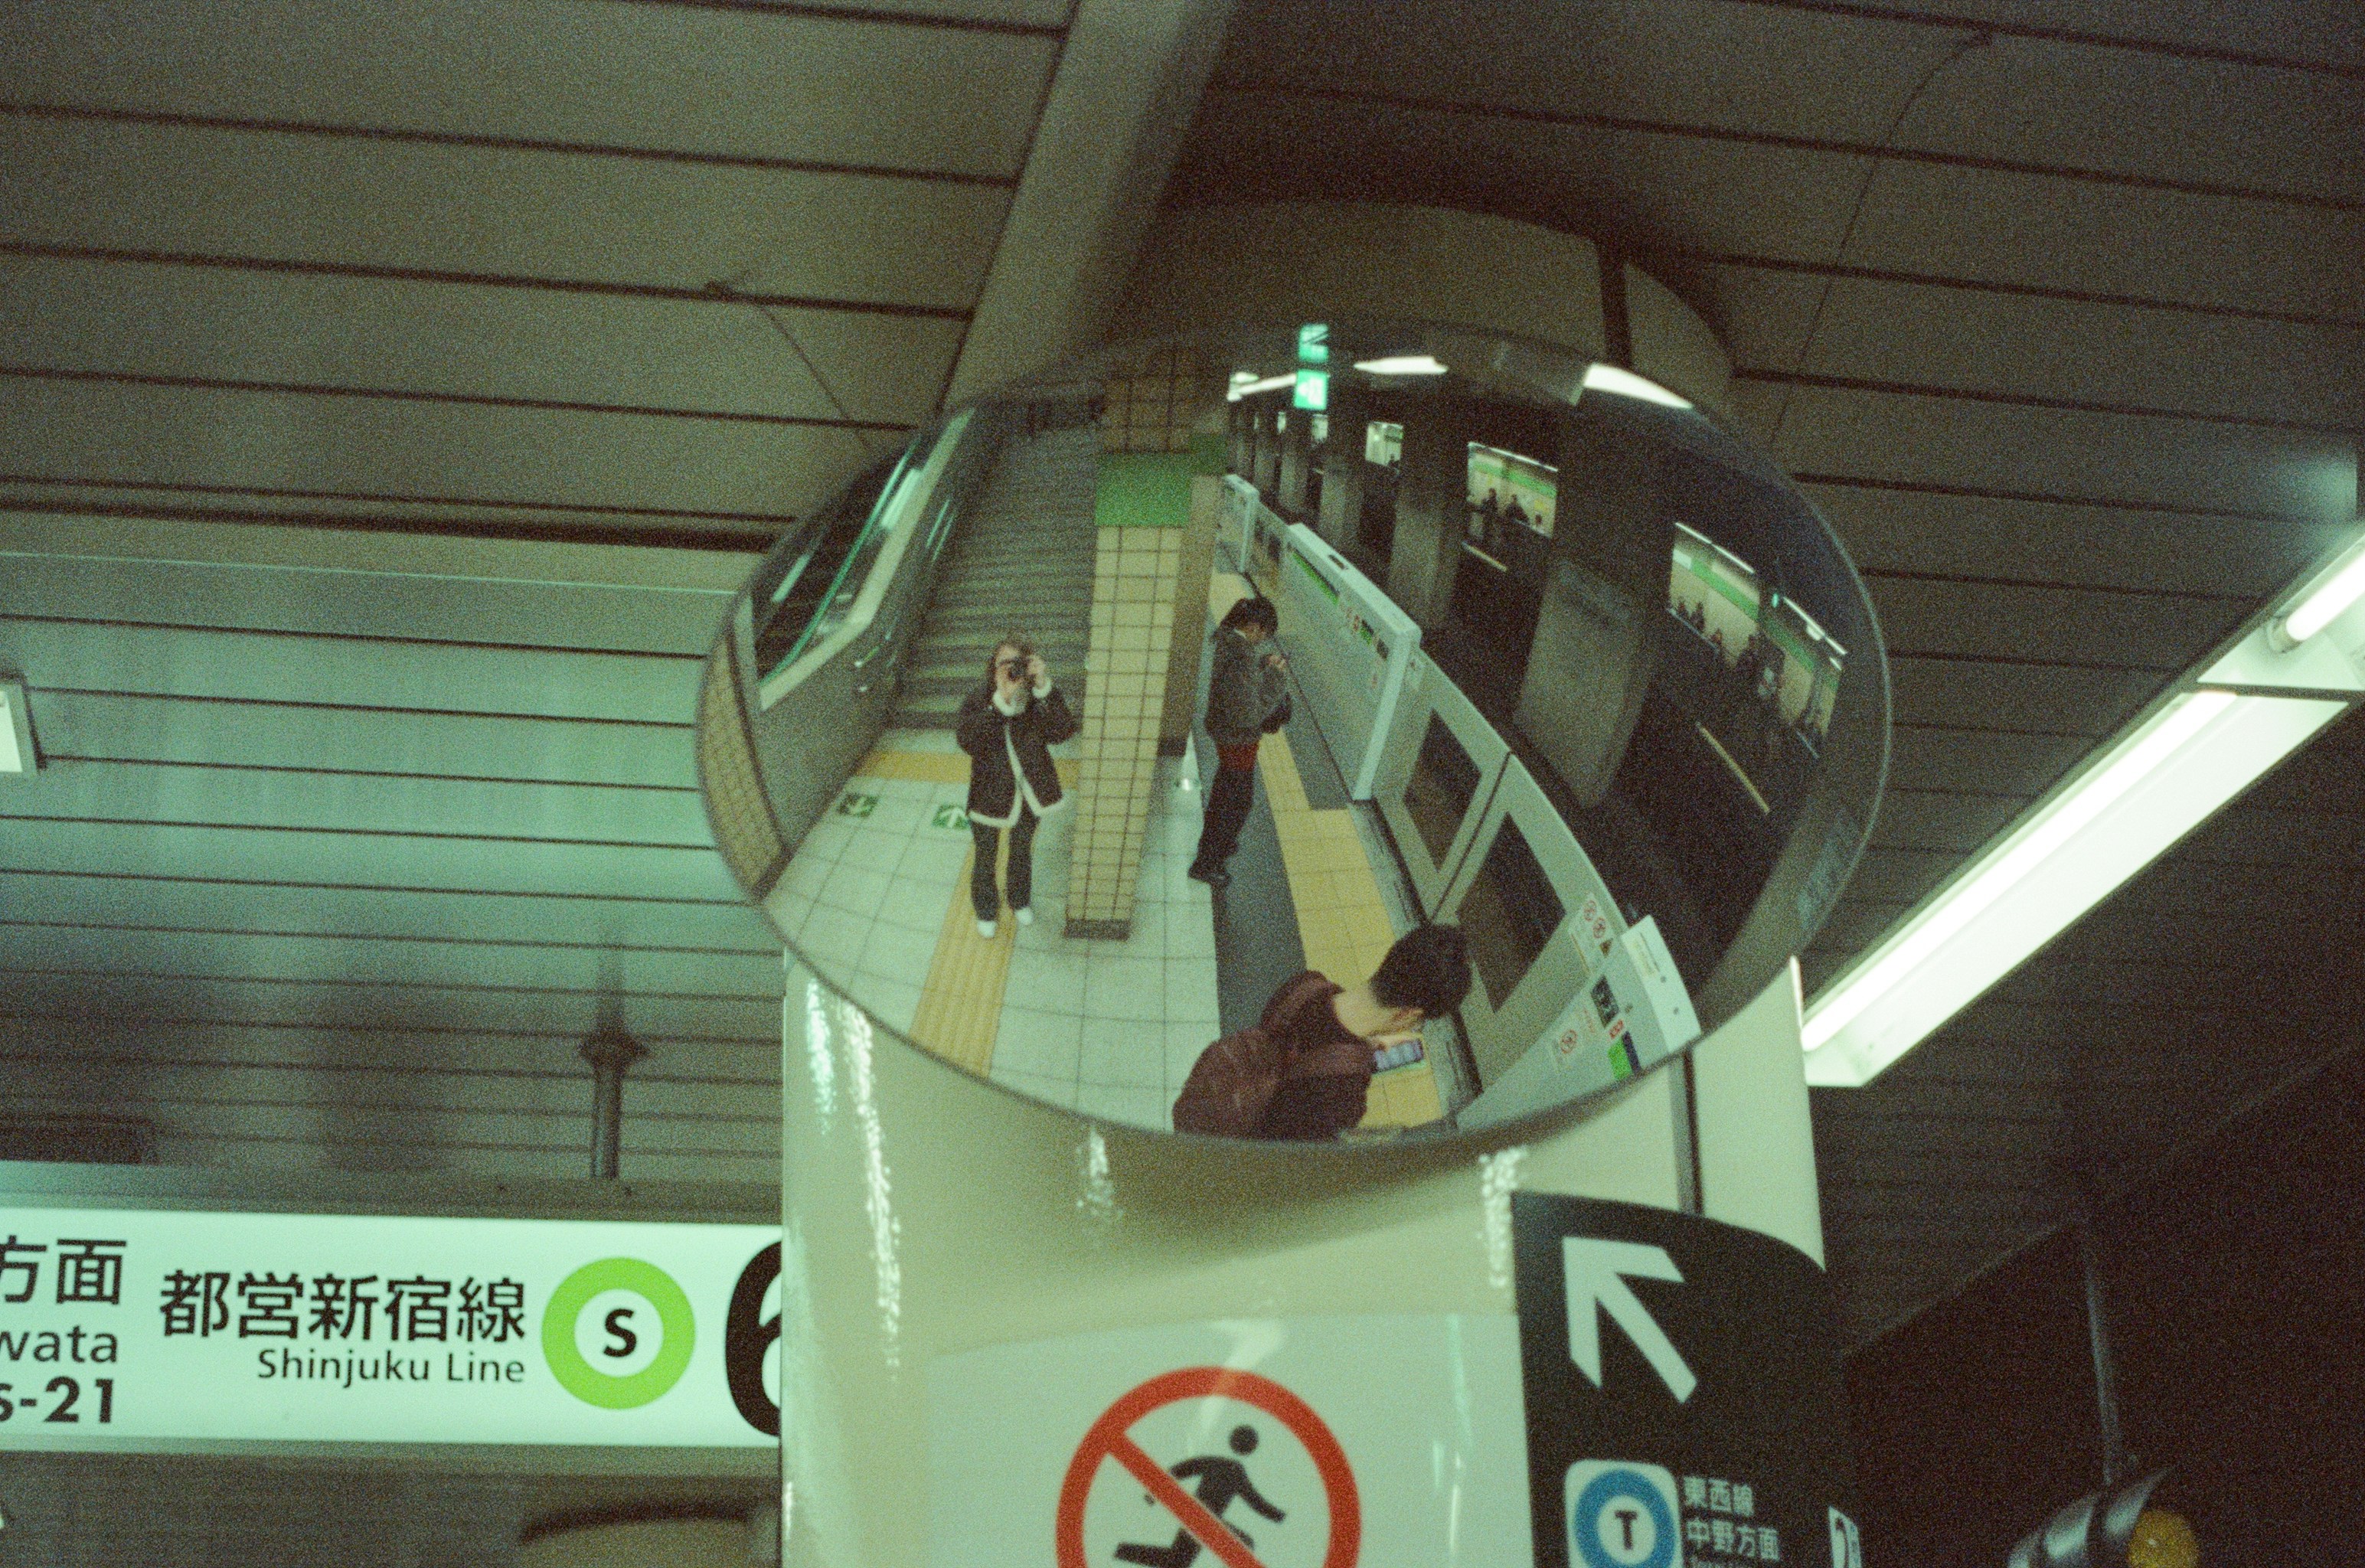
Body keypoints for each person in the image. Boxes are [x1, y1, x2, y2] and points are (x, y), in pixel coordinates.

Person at [1252, 925, 1473, 1142]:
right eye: (1417, 1023)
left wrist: (1358, 1046)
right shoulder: (1345, 1096)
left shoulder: (1305, 984)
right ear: (1407, 1014)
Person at [954, 635, 1077, 937]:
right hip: (989, 795)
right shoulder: (980, 698)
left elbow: (1063, 731)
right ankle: (986, 909)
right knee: (985, 855)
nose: (1010, 670)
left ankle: (1019, 899)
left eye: (1017, 663)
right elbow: (969, 742)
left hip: (1029, 795)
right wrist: (1000, 704)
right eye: (1004, 663)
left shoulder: (1037, 698)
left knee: (1022, 851)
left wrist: (1044, 687)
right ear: (992, 667)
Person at [1187, 596, 1289, 890]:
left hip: (1227, 735)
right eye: (1265, 634)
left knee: (1225, 795)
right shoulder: (1241, 654)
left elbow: (1235, 685)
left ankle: (1218, 845)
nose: (1264, 641)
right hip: (1236, 740)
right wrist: (1274, 677)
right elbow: (1249, 714)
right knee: (1235, 805)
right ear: (1255, 627)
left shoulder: (1231, 642)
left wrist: (1259, 664)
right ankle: (1206, 863)